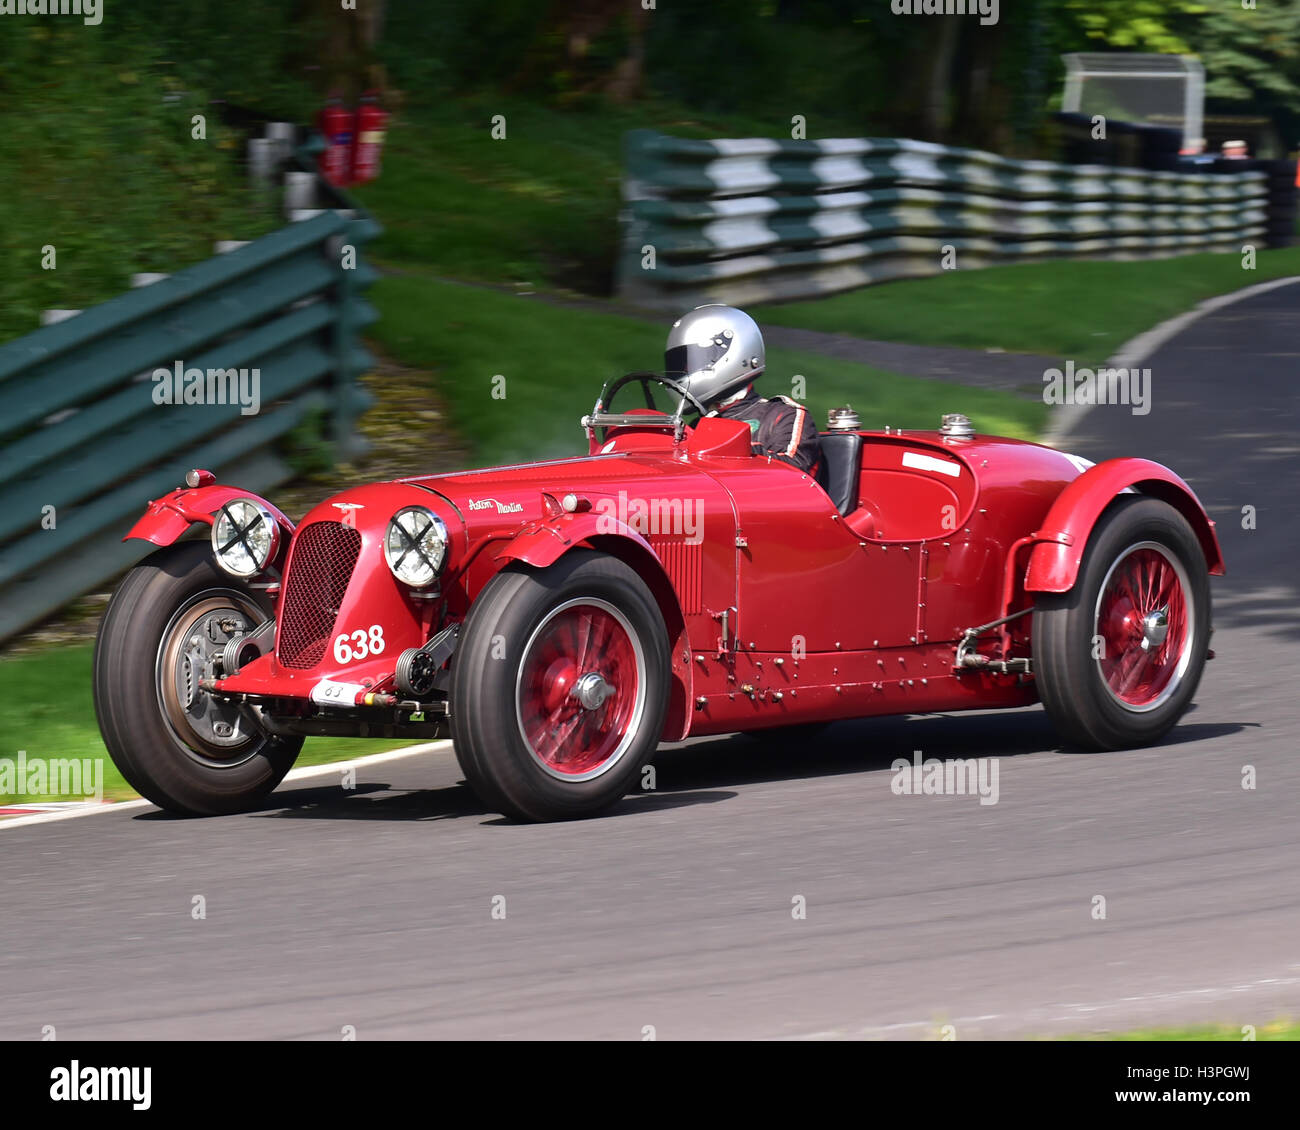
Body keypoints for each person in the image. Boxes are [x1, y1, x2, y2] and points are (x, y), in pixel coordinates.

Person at [664, 304, 820, 473]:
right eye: (682, 364)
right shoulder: (697, 426)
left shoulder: (783, 415)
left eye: (693, 361)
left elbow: (792, 470)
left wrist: (732, 450)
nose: (686, 370)